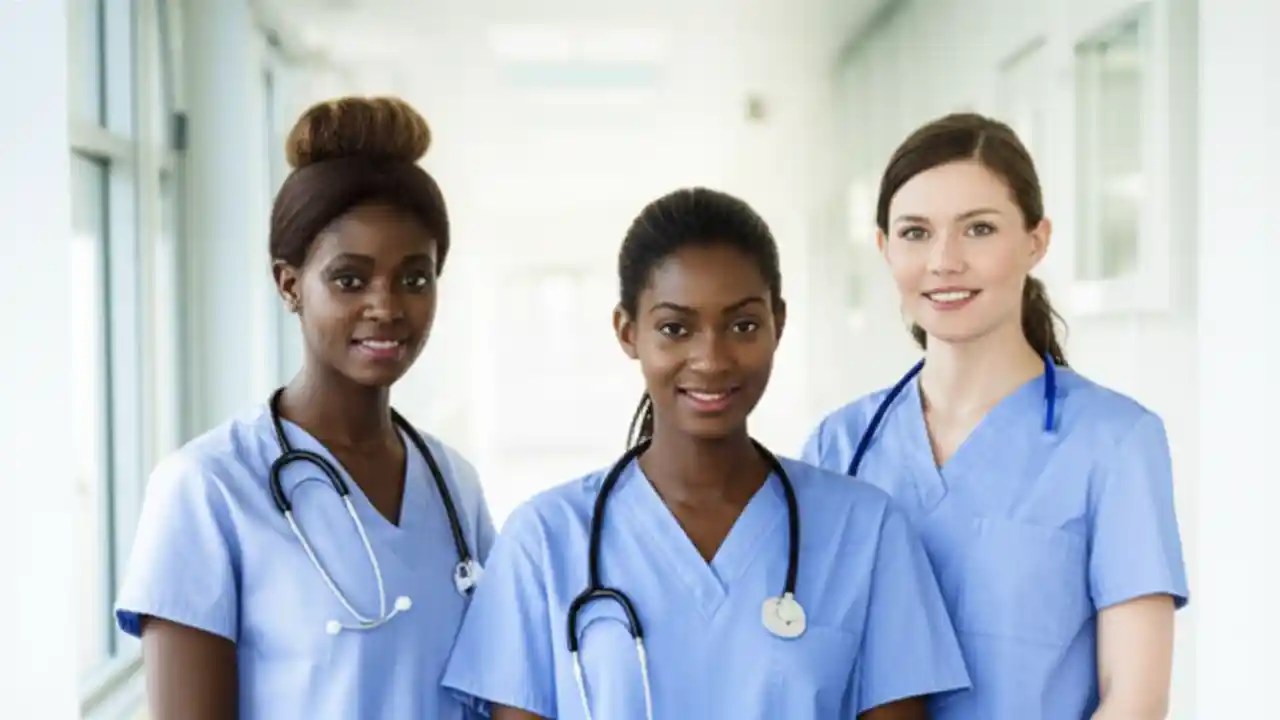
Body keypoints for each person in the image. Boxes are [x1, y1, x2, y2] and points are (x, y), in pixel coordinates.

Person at [442, 187, 970, 719]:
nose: (711, 359)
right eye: (675, 328)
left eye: (742, 326)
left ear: (777, 324)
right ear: (628, 332)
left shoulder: (865, 530)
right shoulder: (545, 541)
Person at [114, 96, 494, 720]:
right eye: (350, 279)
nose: (387, 306)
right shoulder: (208, 488)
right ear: (290, 284)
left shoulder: (454, 486)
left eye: (414, 278)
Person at [802, 113, 1189, 719]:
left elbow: (1135, 700)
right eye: (915, 232)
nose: (944, 260)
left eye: (978, 229)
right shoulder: (839, 446)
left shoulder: (1114, 443)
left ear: (1036, 240)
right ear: (883, 248)